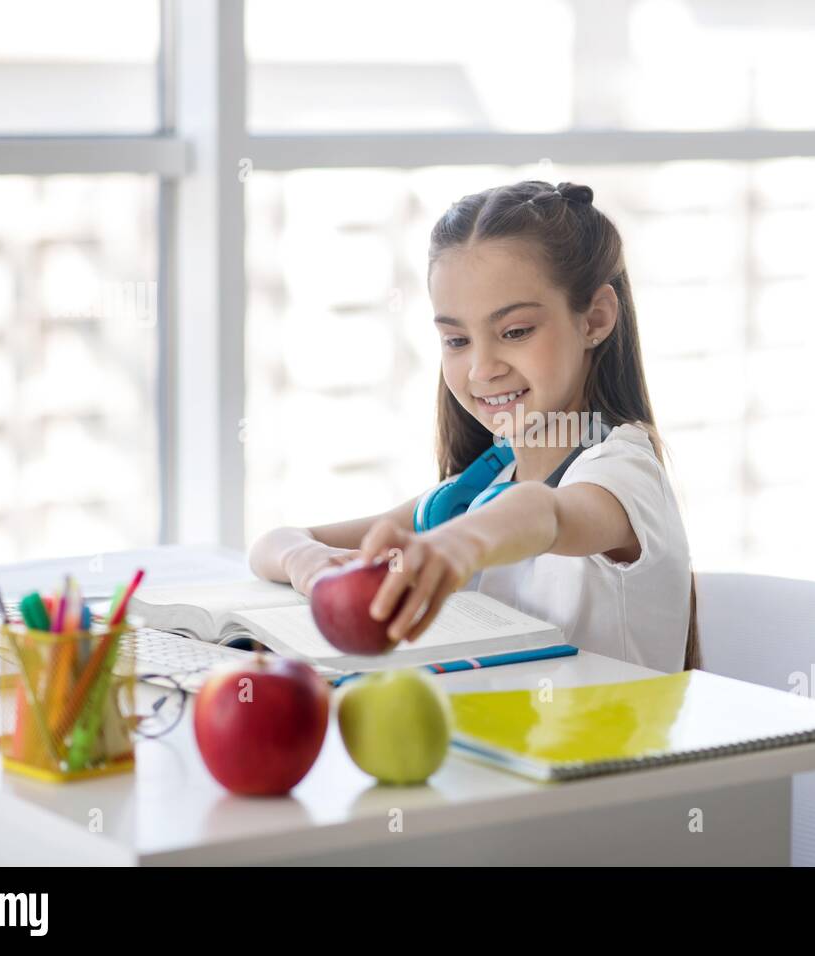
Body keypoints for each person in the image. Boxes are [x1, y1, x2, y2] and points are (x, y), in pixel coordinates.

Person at [249, 180, 700, 673]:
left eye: (515, 332)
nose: (483, 368)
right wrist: (310, 563)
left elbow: (547, 515)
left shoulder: (625, 472)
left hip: (611, 748)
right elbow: (278, 541)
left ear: (594, 319)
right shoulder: (480, 486)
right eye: (457, 340)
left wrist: (455, 544)